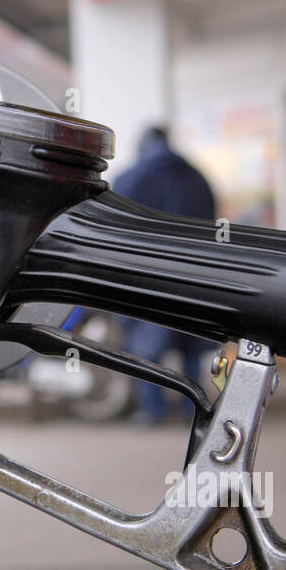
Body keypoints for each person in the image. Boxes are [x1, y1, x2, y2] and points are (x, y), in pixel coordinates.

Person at [112, 125, 217, 424]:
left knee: (146, 351)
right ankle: (194, 410)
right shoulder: (198, 177)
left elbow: (116, 229)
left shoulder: (131, 177)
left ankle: (153, 411)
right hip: (195, 276)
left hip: (147, 277)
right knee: (191, 347)